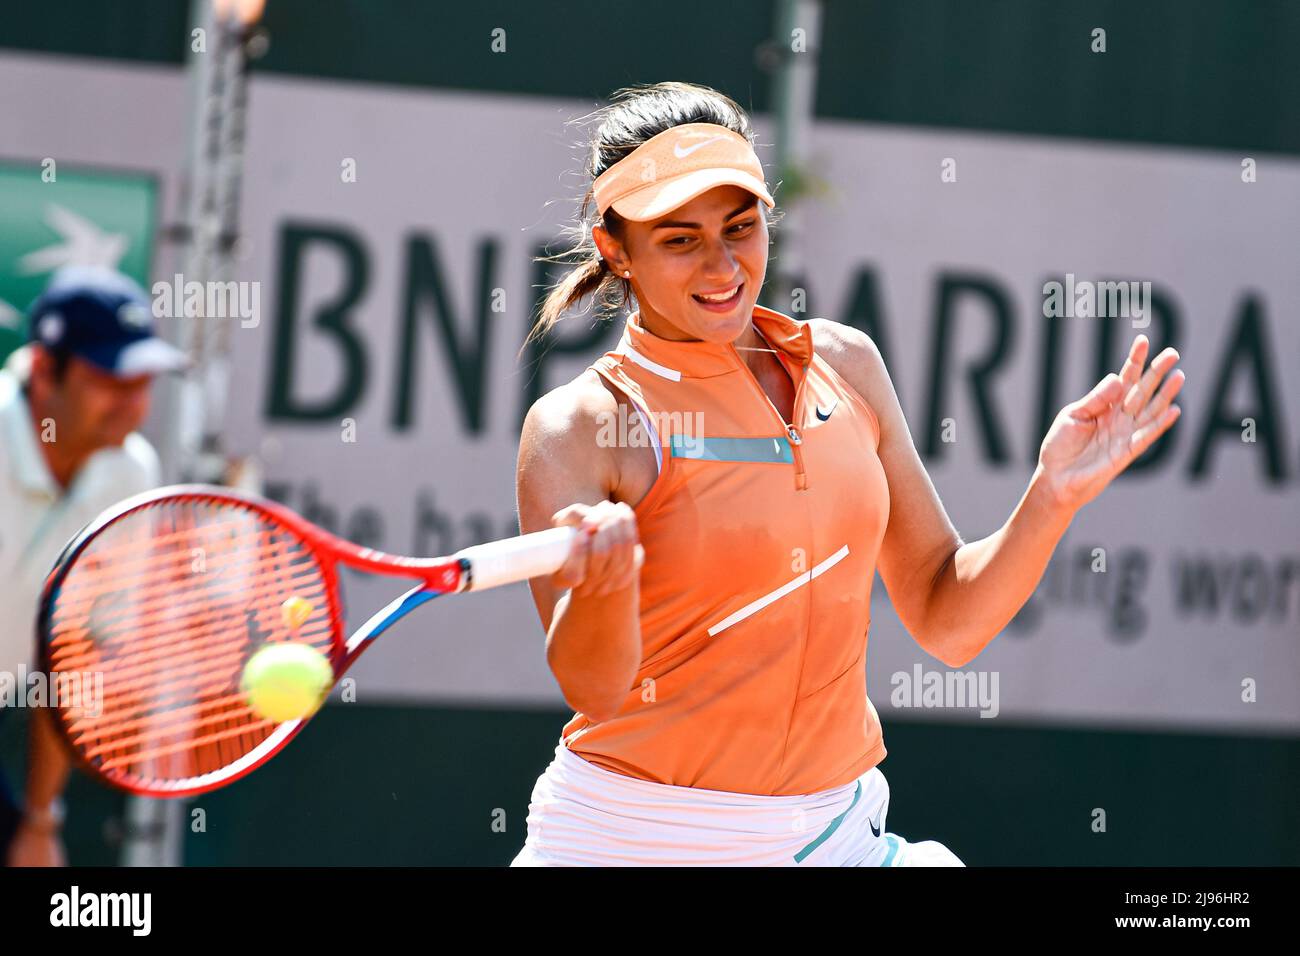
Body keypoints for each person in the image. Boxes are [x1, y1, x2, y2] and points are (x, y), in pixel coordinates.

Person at [511, 82, 1184, 866]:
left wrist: (1053, 494)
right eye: (679, 240)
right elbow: (593, 687)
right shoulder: (578, 427)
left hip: (837, 835)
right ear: (614, 247)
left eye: (741, 226)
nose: (725, 265)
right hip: (637, 842)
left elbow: (948, 617)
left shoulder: (846, 364)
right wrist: (601, 592)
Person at [0, 266, 187, 866]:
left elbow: (73, 650)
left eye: (143, 382)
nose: (133, 403)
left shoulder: (130, 474)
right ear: (46, 370)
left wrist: (38, 821)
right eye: (110, 378)